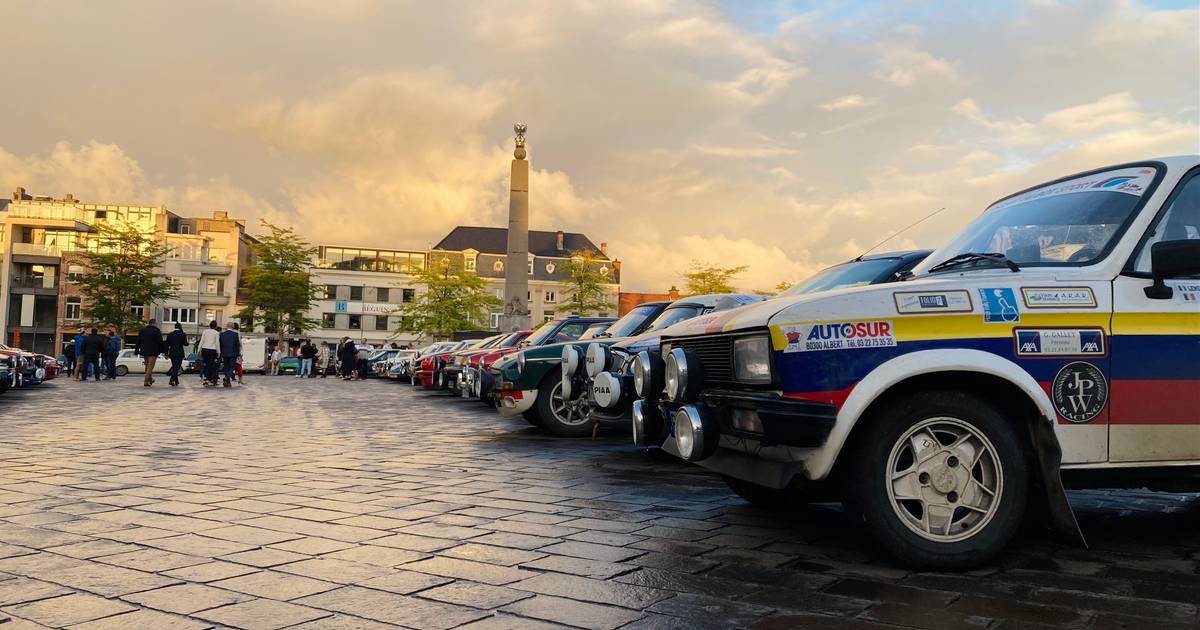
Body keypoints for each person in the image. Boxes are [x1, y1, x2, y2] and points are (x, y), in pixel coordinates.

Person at [135, 319, 164, 387]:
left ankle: (150, 379)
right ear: (154, 323)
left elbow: (138, 341)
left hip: (144, 351)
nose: (157, 324)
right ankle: (146, 381)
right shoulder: (156, 331)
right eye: (156, 323)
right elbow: (160, 342)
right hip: (153, 351)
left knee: (147, 366)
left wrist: (136, 350)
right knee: (150, 367)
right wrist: (163, 350)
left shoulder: (143, 330)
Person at [219, 322, 241, 388]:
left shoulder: (222, 334)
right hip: (233, 353)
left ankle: (227, 381)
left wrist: (221, 353)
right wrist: (238, 353)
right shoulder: (235, 334)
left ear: (226, 326)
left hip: (224, 353)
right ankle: (227, 378)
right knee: (232, 367)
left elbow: (221, 344)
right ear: (233, 327)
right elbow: (237, 344)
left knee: (226, 367)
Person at [165, 322, 188, 387]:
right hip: (179, 353)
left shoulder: (170, 334)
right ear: (180, 327)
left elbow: (167, 345)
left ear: (174, 327)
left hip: (172, 353)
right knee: (177, 367)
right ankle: (171, 380)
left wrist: (166, 354)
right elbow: (185, 343)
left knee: (174, 366)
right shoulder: (182, 334)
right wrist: (187, 343)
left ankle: (176, 381)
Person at [199, 320, 221, 386]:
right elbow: (217, 343)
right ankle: (207, 379)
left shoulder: (205, 331)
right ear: (216, 326)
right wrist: (219, 352)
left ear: (210, 325)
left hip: (204, 349)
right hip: (212, 350)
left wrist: (199, 349)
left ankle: (207, 377)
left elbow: (202, 340)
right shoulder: (216, 333)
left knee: (206, 364)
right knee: (210, 365)